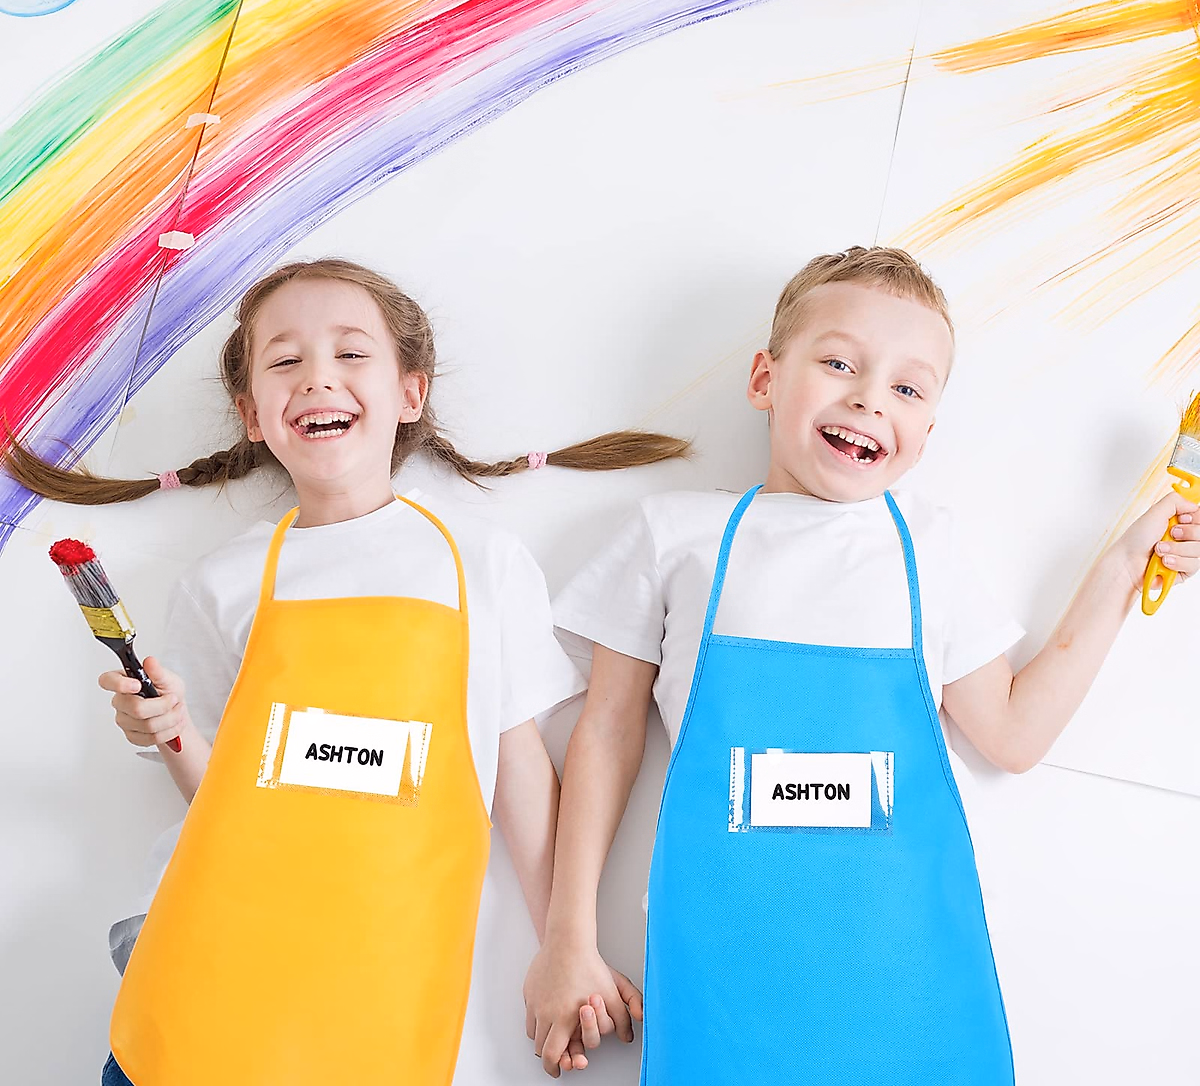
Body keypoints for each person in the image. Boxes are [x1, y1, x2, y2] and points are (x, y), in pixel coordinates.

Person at [523, 246, 1199, 1082]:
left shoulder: (930, 550)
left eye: (908, 389)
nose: (869, 398)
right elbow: (607, 733)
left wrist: (1124, 567)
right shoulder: (673, 536)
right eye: (839, 363)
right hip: (726, 975)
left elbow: (1013, 736)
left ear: (927, 434)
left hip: (910, 980)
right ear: (765, 379)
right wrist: (567, 938)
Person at [6, 258, 686, 1086]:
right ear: (253, 415)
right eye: (286, 360)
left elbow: (518, 767)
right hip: (209, 965)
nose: (317, 378)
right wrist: (168, 727)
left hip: (375, 986)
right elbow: (218, 797)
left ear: (410, 394)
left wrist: (566, 944)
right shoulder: (223, 584)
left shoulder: (480, 564)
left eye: (351, 353)